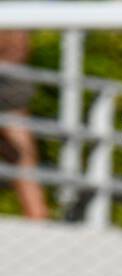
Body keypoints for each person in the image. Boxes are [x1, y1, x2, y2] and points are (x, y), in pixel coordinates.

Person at [0, 31, 50, 220]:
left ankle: (37, 216)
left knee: (22, 158)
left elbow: (18, 48)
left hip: (10, 86)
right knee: (22, 159)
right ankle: (37, 215)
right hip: (13, 83)